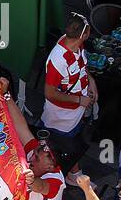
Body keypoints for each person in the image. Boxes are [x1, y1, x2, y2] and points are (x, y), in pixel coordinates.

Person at [40, 13, 96, 173]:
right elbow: (49, 93)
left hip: (74, 112)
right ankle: (63, 172)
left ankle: (72, 171)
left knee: (71, 141)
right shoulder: (58, 59)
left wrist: (91, 81)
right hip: (61, 116)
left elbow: (81, 66)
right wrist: (79, 100)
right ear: (85, 35)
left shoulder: (77, 44)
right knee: (60, 144)